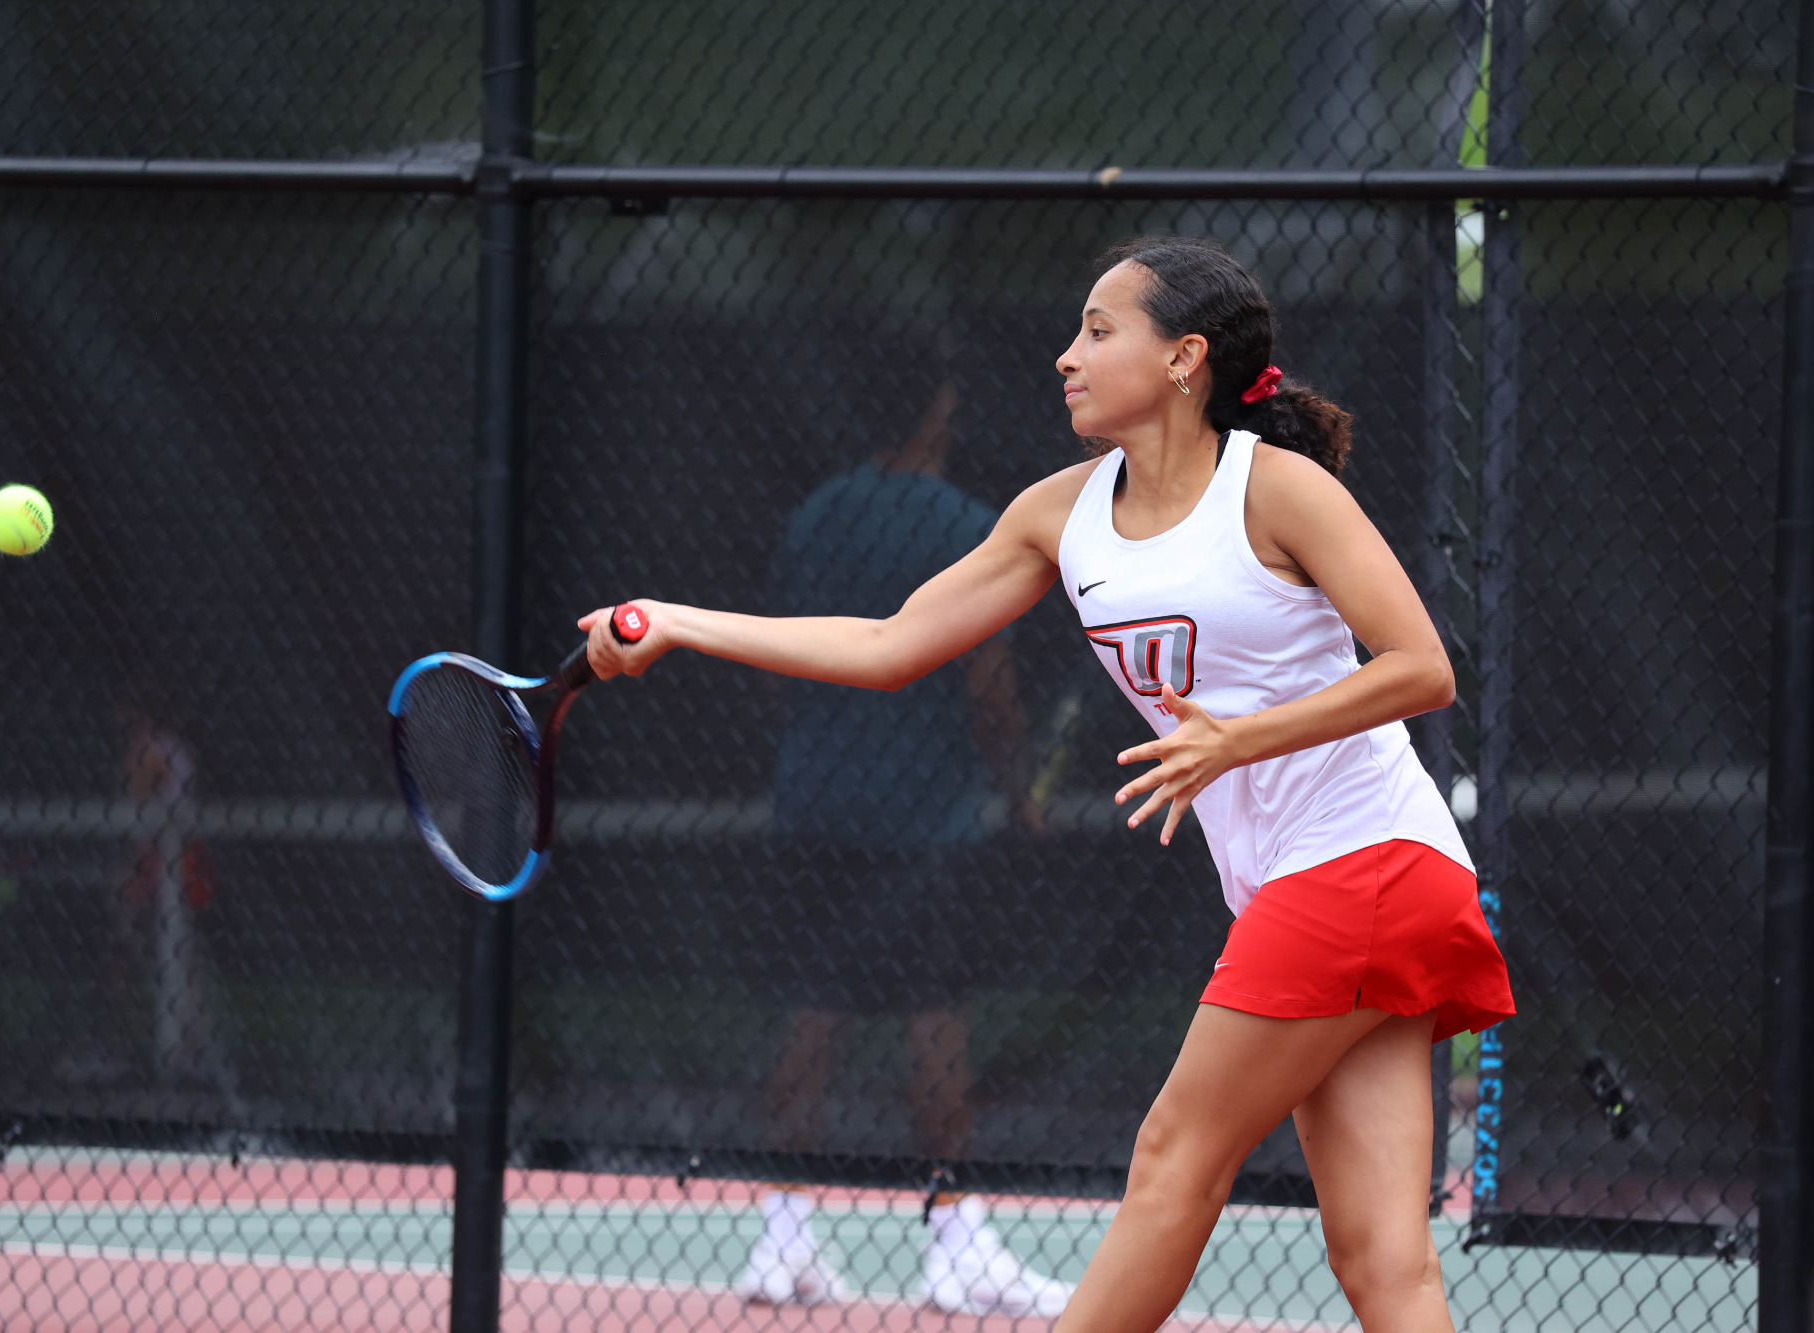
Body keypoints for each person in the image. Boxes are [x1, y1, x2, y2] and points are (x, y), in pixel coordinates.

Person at [579, 236, 1514, 1332]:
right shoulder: (1055, 514)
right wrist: (679, 625)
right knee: (1380, 1261)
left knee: (1173, 1154)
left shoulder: (1278, 489)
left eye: (1098, 330)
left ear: (1183, 359)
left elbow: (1419, 667)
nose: (1065, 355)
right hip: (1312, 890)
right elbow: (888, 645)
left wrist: (1236, 739)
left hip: (1364, 862)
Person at [734, 377, 1073, 1316]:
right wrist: (1018, 793)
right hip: (925, 826)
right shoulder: (968, 522)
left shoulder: (813, 517)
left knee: (809, 1014)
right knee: (935, 1018)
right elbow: (988, 685)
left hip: (814, 814)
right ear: (934, 407)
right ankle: (954, 1246)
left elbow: (776, 679)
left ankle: (782, 1239)